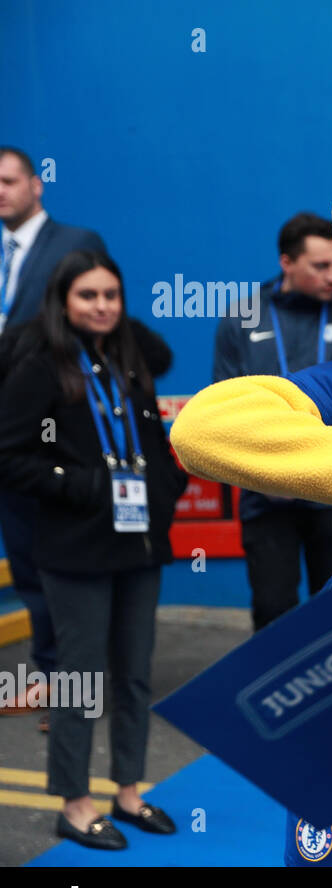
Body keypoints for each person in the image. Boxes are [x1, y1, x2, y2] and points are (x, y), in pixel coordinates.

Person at [0, 250, 190, 849]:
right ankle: (75, 803)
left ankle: (128, 791)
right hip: (75, 549)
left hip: (138, 543)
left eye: (112, 295)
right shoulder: (41, 365)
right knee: (80, 680)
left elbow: (155, 404)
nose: (103, 306)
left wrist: (164, 485)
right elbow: (12, 455)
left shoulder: (128, 358)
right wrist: (80, 485)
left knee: (134, 676)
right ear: (62, 302)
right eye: (88, 296)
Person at [0, 146, 110, 723]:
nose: (0, 192)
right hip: (8, 435)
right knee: (25, 562)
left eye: (8, 180)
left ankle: (80, 684)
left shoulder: (74, 243)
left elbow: (100, 332)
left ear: (37, 185)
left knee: (63, 561)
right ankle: (50, 678)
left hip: (59, 432)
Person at [211, 212, 332, 630]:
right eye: (320, 266)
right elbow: (226, 404)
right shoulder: (246, 315)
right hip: (266, 492)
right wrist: (266, 473)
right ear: (287, 264)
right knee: (274, 613)